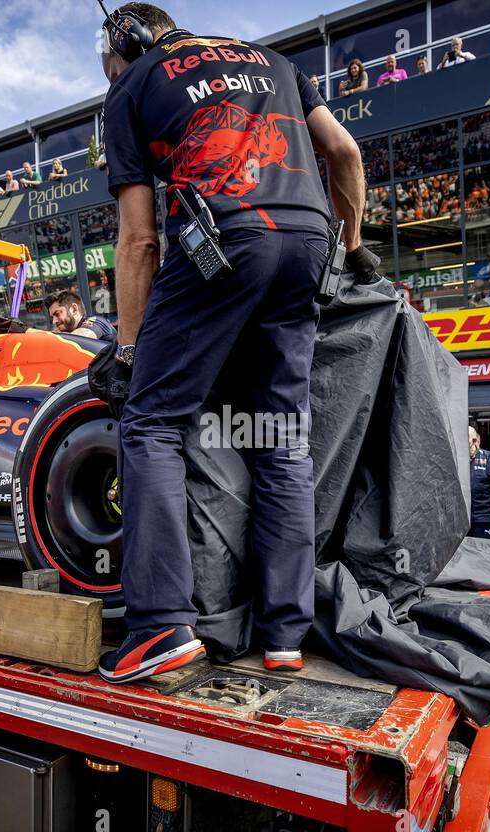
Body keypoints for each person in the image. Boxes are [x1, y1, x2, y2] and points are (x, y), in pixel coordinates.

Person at [94, 3, 372, 682]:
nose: (109, 73)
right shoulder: (274, 62)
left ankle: (160, 626)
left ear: (125, 42)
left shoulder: (131, 89)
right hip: (309, 240)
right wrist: (355, 246)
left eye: (107, 62)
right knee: (282, 439)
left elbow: (138, 241)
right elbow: (344, 152)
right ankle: (283, 636)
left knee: (152, 423)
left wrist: (129, 354)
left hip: (222, 236)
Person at [48, 290, 114, 342]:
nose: (54, 321)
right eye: (52, 318)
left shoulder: (96, 321)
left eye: (57, 314)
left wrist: (56, 338)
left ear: (74, 309)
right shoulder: (67, 332)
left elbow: (81, 337)